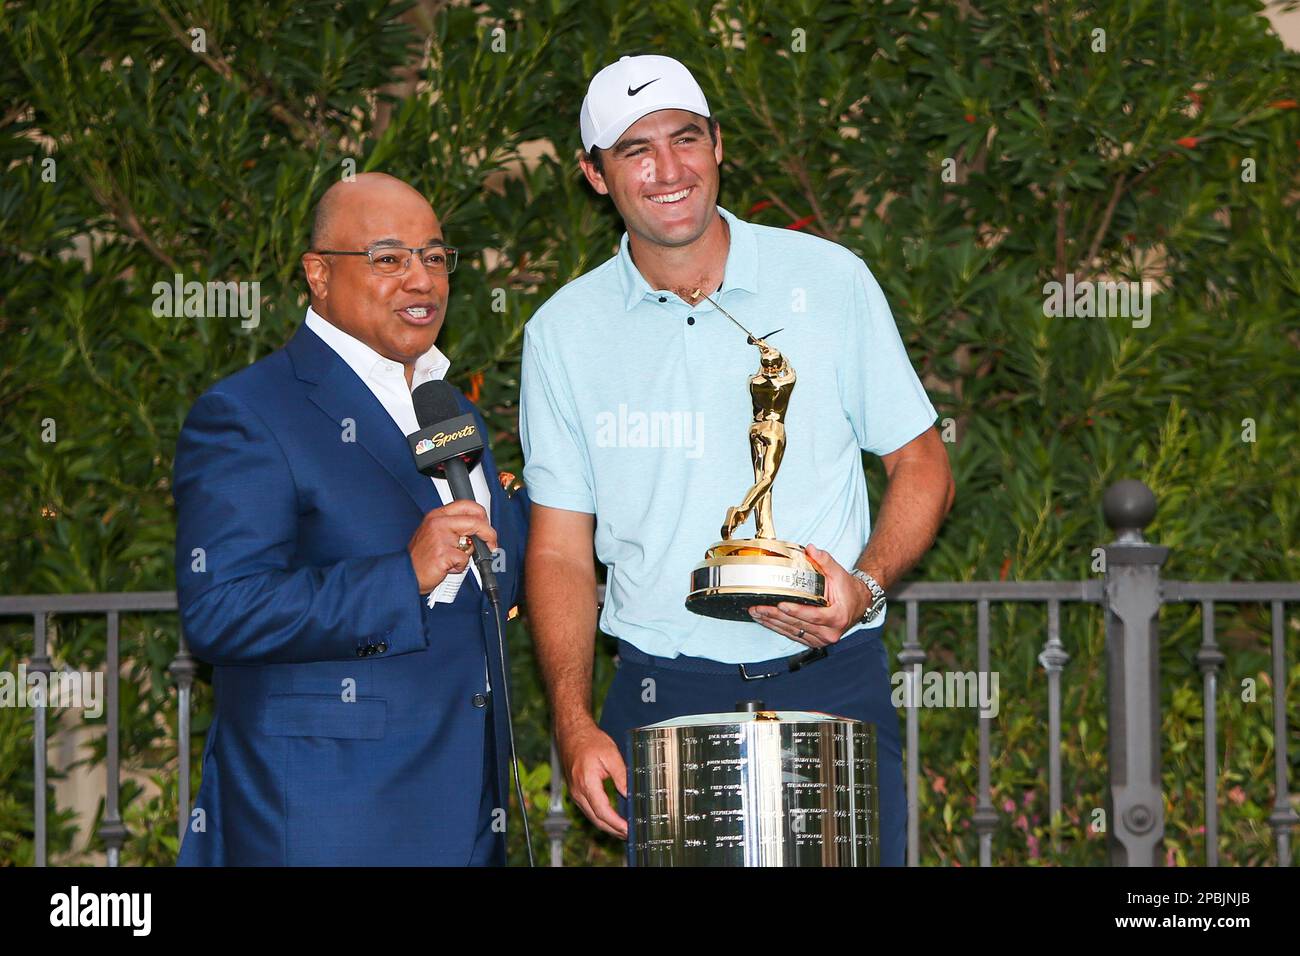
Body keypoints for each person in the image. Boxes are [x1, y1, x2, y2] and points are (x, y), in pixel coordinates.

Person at [519, 55, 954, 866]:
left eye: (686, 139)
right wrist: (574, 722)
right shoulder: (560, 332)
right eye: (635, 151)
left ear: (719, 145)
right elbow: (556, 549)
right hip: (660, 689)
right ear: (593, 174)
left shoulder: (829, 279)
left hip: (834, 674)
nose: (669, 170)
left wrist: (864, 585)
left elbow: (922, 462)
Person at [173, 173, 528, 866]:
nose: (420, 279)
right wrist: (404, 575)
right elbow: (220, 610)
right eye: (389, 258)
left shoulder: (449, 408)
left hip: (462, 809)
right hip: (324, 815)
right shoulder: (249, 412)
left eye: (433, 256)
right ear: (318, 274)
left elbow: (493, 582)